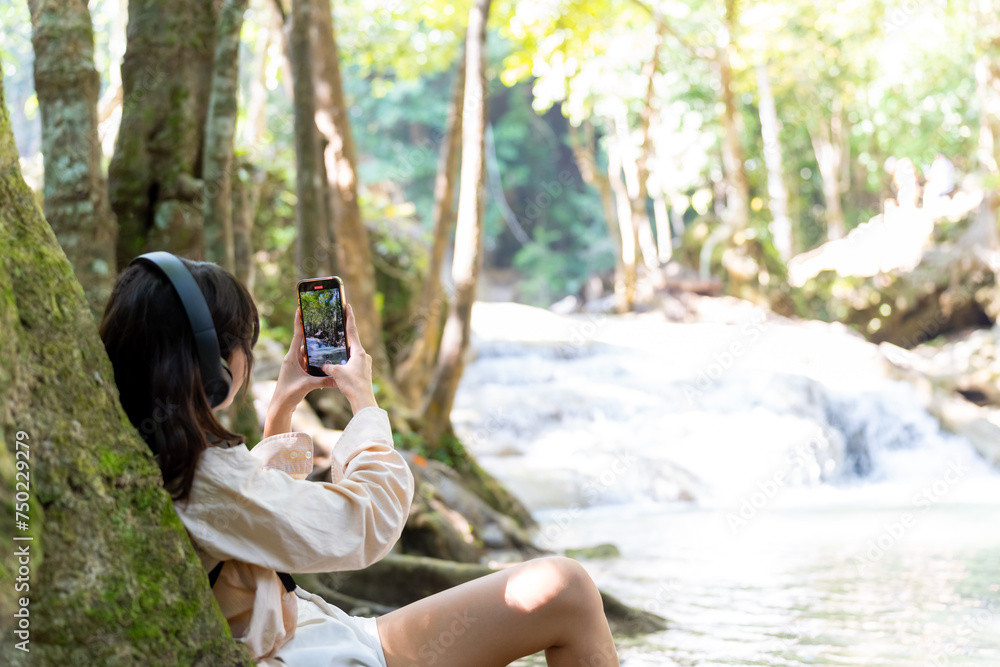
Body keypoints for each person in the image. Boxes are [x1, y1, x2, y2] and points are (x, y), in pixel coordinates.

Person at [99, 255, 619, 667]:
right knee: (565, 587)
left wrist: (281, 405)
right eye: (245, 345)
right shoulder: (204, 476)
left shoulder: (155, 452)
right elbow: (366, 523)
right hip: (309, 652)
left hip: (319, 633)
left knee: (559, 587)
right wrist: (365, 404)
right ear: (215, 367)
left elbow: (256, 515)